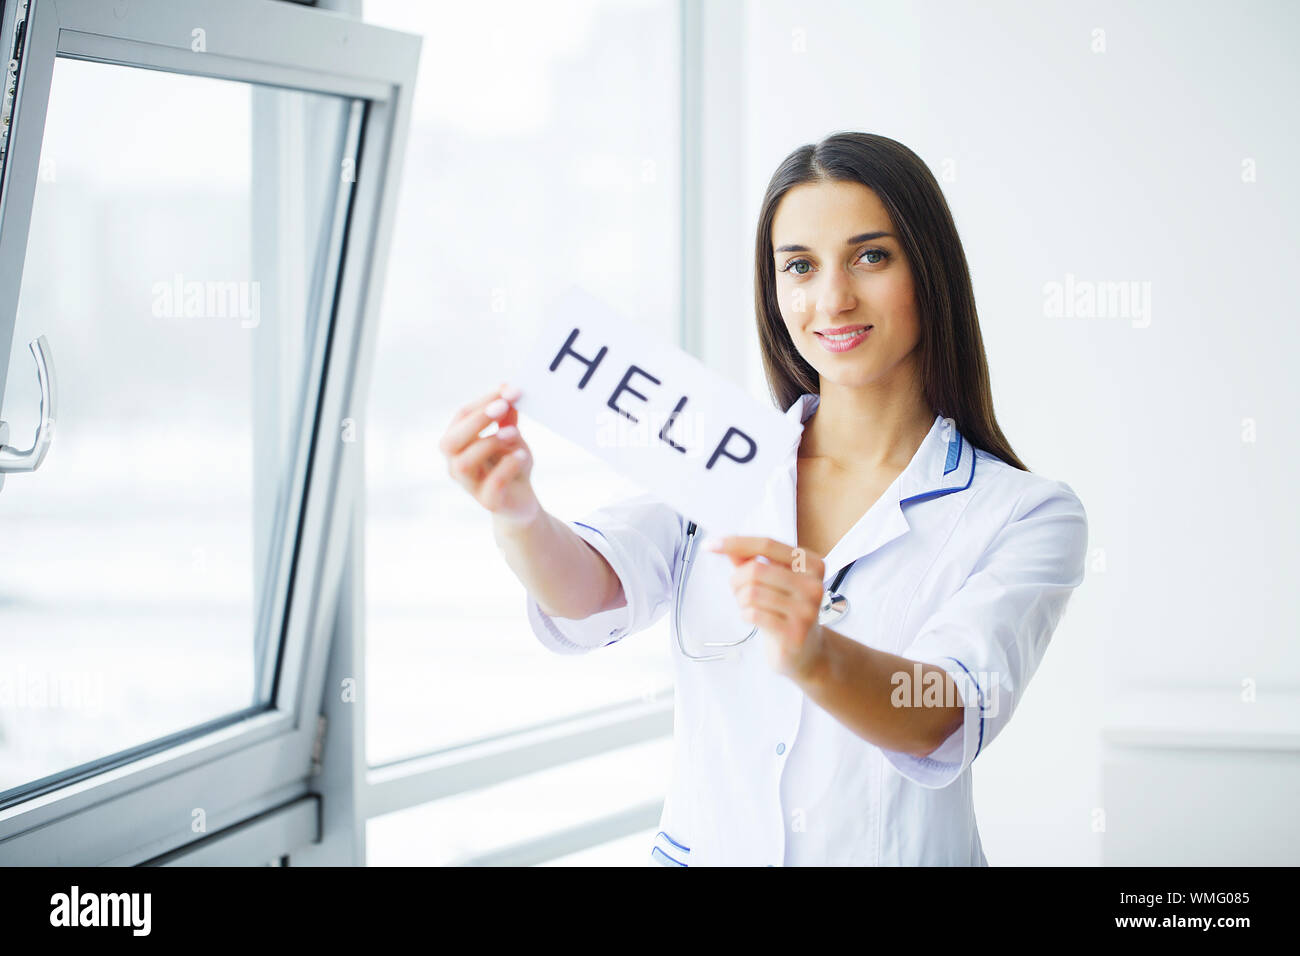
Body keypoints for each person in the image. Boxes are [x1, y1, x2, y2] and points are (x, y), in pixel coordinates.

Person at [437, 131, 1088, 866]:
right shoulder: (721, 453)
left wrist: (816, 657)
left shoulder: (1026, 515)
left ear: (927, 271)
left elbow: (943, 713)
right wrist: (517, 511)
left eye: (870, 256)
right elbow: (589, 590)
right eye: (800, 267)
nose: (832, 298)